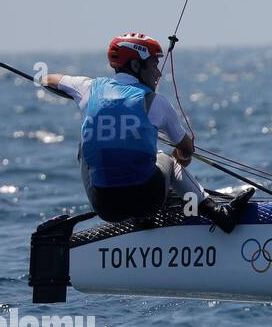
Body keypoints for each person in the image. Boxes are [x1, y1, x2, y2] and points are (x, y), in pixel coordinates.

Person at [46, 32, 253, 231]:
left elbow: (48, 79)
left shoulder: (87, 88)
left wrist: (68, 92)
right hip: (148, 200)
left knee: (85, 146)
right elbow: (187, 148)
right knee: (165, 159)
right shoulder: (156, 102)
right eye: (154, 64)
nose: (159, 72)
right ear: (136, 65)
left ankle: (143, 220)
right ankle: (218, 214)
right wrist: (180, 158)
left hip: (105, 207)